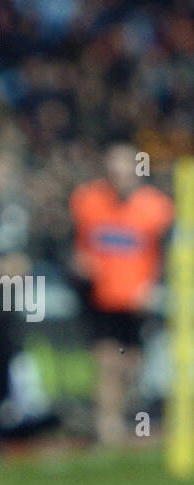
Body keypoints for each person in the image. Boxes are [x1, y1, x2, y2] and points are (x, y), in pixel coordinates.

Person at [69, 142, 173, 446]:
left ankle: (127, 424)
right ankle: (107, 428)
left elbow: (167, 253)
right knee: (107, 364)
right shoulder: (87, 200)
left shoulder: (157, 207)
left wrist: (155, 286)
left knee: (131, 367)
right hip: (100, 299)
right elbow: (74, 244)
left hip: (138, 302)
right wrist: (78, 263)